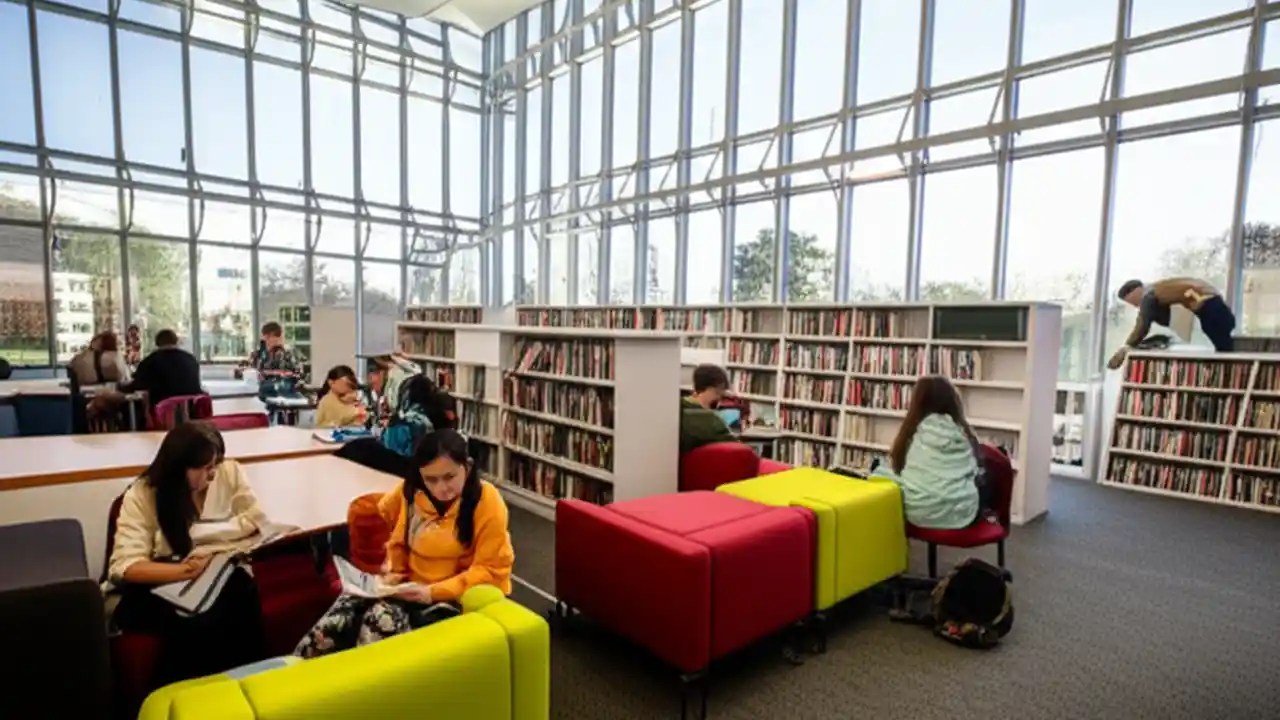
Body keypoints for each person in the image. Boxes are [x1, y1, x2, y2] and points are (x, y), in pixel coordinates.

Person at [295, 429, 514, 658]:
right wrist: (390, 571)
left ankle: (367, 678)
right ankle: (302, 670)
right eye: (431, 479)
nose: (441, 488)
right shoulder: (410, 492)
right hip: (408, 589)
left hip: (452, 598)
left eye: (449, 477)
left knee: (379, 619)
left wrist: (431, 592)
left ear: (467, 467)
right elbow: (386, 518)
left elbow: (489, 570)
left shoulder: (486, 501)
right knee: (338, 619)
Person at [105, 422, 268, 686]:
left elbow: (255, 519)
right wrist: (185, 570)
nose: (213, 474)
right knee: (194, 620)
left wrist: (208, 540)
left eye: (215, 464)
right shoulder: (143, 494)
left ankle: (248, 686)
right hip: (163, 578)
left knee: (243, 591)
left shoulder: (228, 472)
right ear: (178, 468)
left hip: (214, 571)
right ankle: (186, 695)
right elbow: (126, 566)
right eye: (204, 468)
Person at [871, 375, 985, 530]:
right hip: (962, 513)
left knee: (880, 471)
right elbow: (976, 471)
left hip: (917, 510)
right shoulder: (964, 434)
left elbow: (898, 466)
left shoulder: (911, 433)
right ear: (953, 402)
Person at [1108, 277, 1237, 369]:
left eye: (1133, 302)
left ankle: (1227, 371)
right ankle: (1226, 368)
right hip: (1211, 300)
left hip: (1208, 303)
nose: (1135, 306)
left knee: (1223, 349)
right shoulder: (1159, 289)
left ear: (1136, 291)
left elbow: (1143, 324)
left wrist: (1127, 346)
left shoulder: (1148, 296)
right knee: (1221, 342)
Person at [118, 329, 203, 409]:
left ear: (157, 343)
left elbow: (137, 385)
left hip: (162, 410)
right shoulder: (191, 359)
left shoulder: (150, 361)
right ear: (176, 341)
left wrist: (120, 386)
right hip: (192, 408)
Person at [680, 364, 738, 454]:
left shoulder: (678, 406)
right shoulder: (710, 420)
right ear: (718, 386)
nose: (721, 396)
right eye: (720, 390)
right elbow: (737, 448)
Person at [246, 321, 303, 400]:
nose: (269, 340)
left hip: (285, 385)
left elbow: (296, 373)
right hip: (264, 387)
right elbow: (251, 369)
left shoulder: (288, 352)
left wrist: (270, 372)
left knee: (273, 387)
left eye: (276, 336)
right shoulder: (258, 353)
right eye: (267, 337)